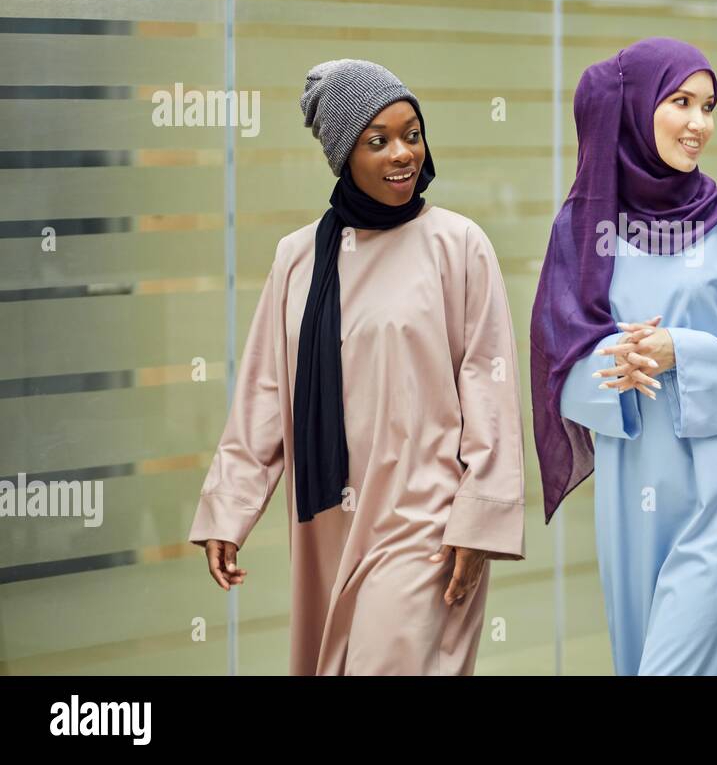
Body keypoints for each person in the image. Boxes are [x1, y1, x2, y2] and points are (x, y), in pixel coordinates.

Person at [189, 59, 526, 675]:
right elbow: (266, 391)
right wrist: (228, 510)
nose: (404, 154)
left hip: (426, 523)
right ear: (343, 154)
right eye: (378, 141)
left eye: (412, 134)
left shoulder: (458, 245)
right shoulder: (298, 259)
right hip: (329, 523)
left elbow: (488, 382)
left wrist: (481, 518)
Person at [530, 37, 717, 675]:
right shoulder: (585, 225)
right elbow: (556, 362)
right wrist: (613, 363)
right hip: (631, 484)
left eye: (708, 106)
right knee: (639, 659)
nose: (699, 123)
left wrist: (682, 349)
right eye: (681, 102)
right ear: (634, 106)